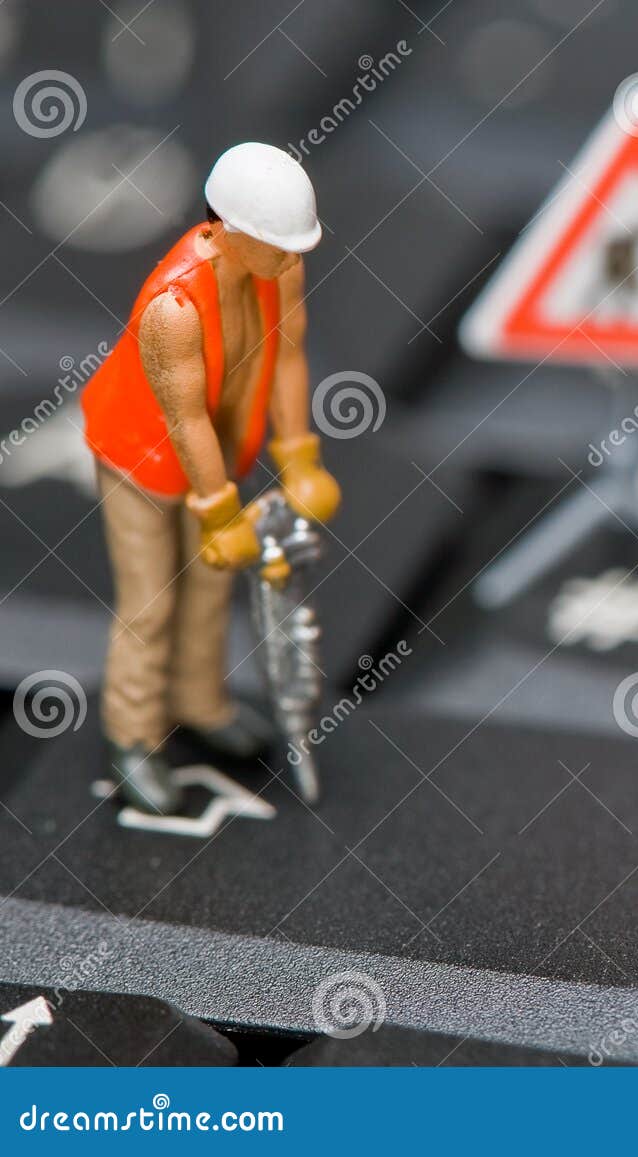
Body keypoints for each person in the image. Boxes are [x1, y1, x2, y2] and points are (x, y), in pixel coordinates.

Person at [80, 143, 340, 814]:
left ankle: (199, 702)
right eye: (279, 244)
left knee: (209, 583)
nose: (291, 258)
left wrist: (300, 458)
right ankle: (134, 736)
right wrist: (221, 512)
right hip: (140, 455)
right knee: (149, 601)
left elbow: (286, 359)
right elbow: (184, 417)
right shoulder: (174, 306)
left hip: (216, 453)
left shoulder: (278, 269)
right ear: (229, 229)